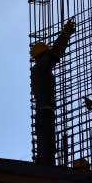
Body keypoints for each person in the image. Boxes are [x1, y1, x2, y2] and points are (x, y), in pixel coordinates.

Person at [30, 18, 76, 166]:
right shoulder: (41, 68)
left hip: (42, 111)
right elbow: (56, 53)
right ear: (42, 56)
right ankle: (46, 166)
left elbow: (53, 54)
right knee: (47, 142)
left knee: (45, 141)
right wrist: (66, 33)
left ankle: (43, 163)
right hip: (45, 112)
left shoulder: (38, 70)